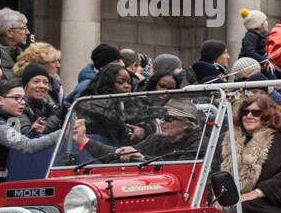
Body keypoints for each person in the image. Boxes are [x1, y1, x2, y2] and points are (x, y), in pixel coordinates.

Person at [220, 93, 281, 213]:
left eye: (256, 113)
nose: (249, 116)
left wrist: (256, 193)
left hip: (271, 201)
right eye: (245, 112)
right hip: (231, 197)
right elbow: (214, 171)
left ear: (267, 116)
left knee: (236, 212)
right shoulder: (229, 139)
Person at [0, 78, 61, 178]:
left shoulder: (10, 119)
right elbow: (28, 146)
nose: (22, 102)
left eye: (23, 98)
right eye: (16, 98)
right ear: (0, 100)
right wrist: (62, 133)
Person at [73, 98, 204, 164]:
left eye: (168, 118)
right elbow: (122, 153)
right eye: (162, 117)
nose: (162, 121)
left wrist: (142, 157)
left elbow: (181, 171)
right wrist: (84, 141)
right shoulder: (157, 139)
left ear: (186, 124)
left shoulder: (199, 144)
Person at [79, 64, 146, 145]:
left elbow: (145, 118)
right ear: (108, 83)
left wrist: (143, 129)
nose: (127, 86)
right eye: (121, 82)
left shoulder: (129, 103)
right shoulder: (91, 104)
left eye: (129, 82)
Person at [19, 64, 65, 136]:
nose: (42, 86)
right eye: (36, 81)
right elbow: (29, 134)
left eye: (45, 82)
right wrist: (57, 117)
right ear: (25, 85)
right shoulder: (18, 105)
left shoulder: (45, 105)